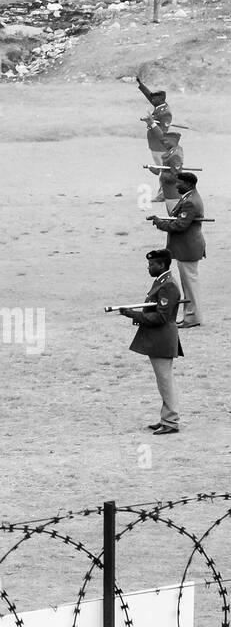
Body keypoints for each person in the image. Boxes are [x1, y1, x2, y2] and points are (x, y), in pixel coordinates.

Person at [119, 249, 182, 434]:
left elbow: (161, 317)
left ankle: (171, 421)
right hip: (159, 339)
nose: (149, 267)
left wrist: (133, 314)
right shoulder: (163, 281)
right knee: (163, 381)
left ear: (162, 265)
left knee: (165, 382)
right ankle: (166, 418)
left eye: (152, 264)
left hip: (161, 339)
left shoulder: (167, 285)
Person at [149, 172, 205, 328]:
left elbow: (180, 225)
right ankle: (191, 316)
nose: (176, 185)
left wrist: (160, 223)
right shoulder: (189, 197)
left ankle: (193, 317)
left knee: (190, 285)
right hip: (187, 247)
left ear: (188, 184)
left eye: (179, 183)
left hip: (188, 248)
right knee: (189, 284)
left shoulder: (190, 202)